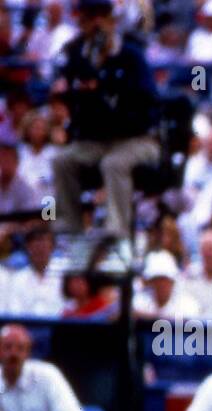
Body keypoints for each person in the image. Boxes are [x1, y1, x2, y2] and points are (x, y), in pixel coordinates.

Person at [49, 0, 160, 244]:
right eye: (90, 17)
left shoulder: (130, 55)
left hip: (135, 138)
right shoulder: (75, 53)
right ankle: (69, 225)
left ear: (111, 20)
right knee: (61, 160)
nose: (96, 23)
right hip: (96, 139)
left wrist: (107, 88)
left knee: (114, 163)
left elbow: (148, 103)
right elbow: (61, 88)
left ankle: (116, 229)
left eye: (101, 16)